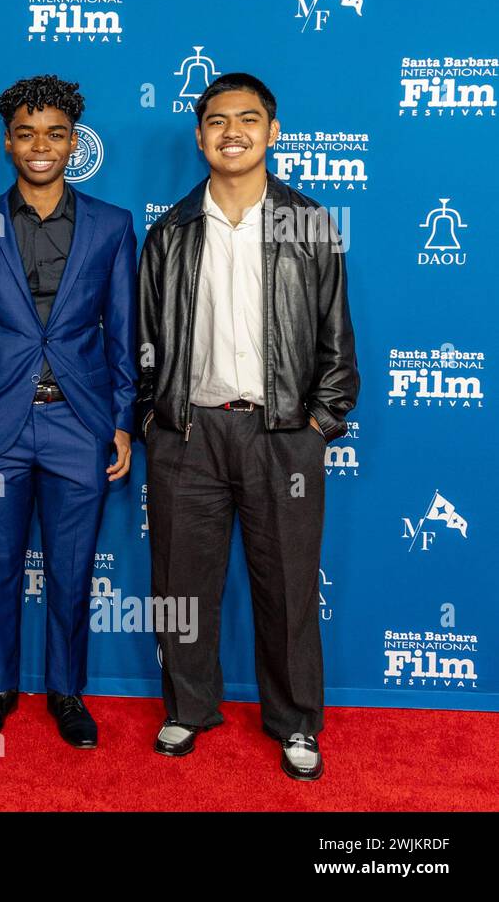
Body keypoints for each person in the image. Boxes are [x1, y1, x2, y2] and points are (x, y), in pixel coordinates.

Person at [138, 72, 359, 781]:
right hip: (189, 435)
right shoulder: (169, 232)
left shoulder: (309, 223)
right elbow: (144, 342)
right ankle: (188, 707)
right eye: (217, 120)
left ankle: (295, 722)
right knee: (182, 584)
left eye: (248, 118)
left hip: (282, 435)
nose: (232, 131)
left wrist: (318, 423)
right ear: (199, 135)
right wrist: (154, 418)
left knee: (290, 585)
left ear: (273, 131)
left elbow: (336, 341)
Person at [0, 75, 137, 748]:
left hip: (80, 424)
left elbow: (124, 331)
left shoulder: (113, 226)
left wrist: (121, 419)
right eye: (26, 133)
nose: (40, 145)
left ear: (74, 142)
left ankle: (66, 690)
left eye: (54, 133)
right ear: (7, 142)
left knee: (72, 568)